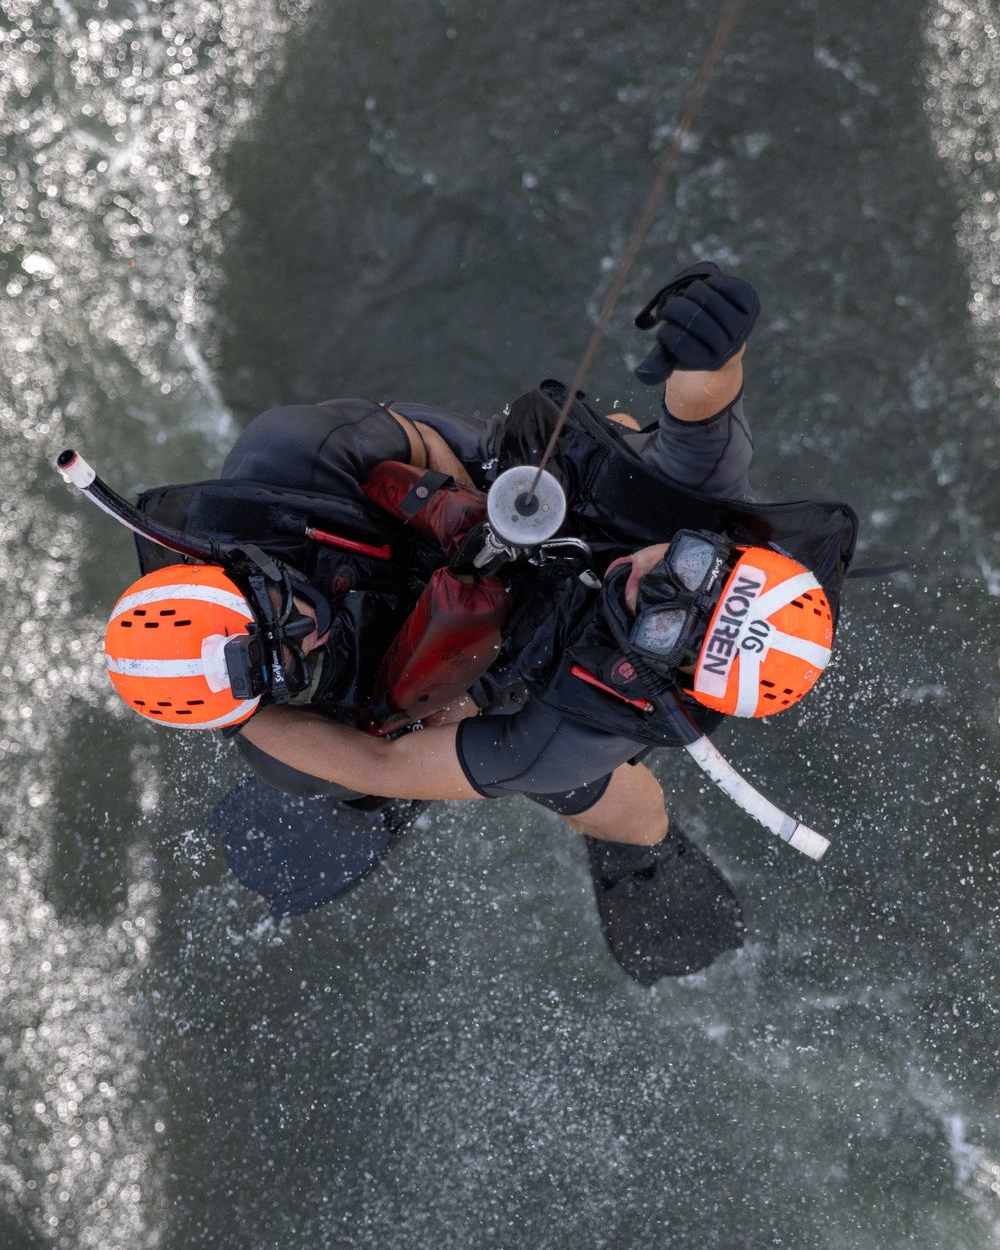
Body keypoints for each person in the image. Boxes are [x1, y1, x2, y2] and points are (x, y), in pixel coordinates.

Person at [100, 266, 856, 982]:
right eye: (687, 571)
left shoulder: (572, 729)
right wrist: (714, 345)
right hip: (443, 551)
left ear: (678, 675)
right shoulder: (690, 503)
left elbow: (419, 444)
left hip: (480, 575)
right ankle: (411, 722)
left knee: (634, 810)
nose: (648, 587)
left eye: (664, 630)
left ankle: (636, 859)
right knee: (620, 442)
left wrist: (468, 531)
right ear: (719, 548)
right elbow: (704, 404)